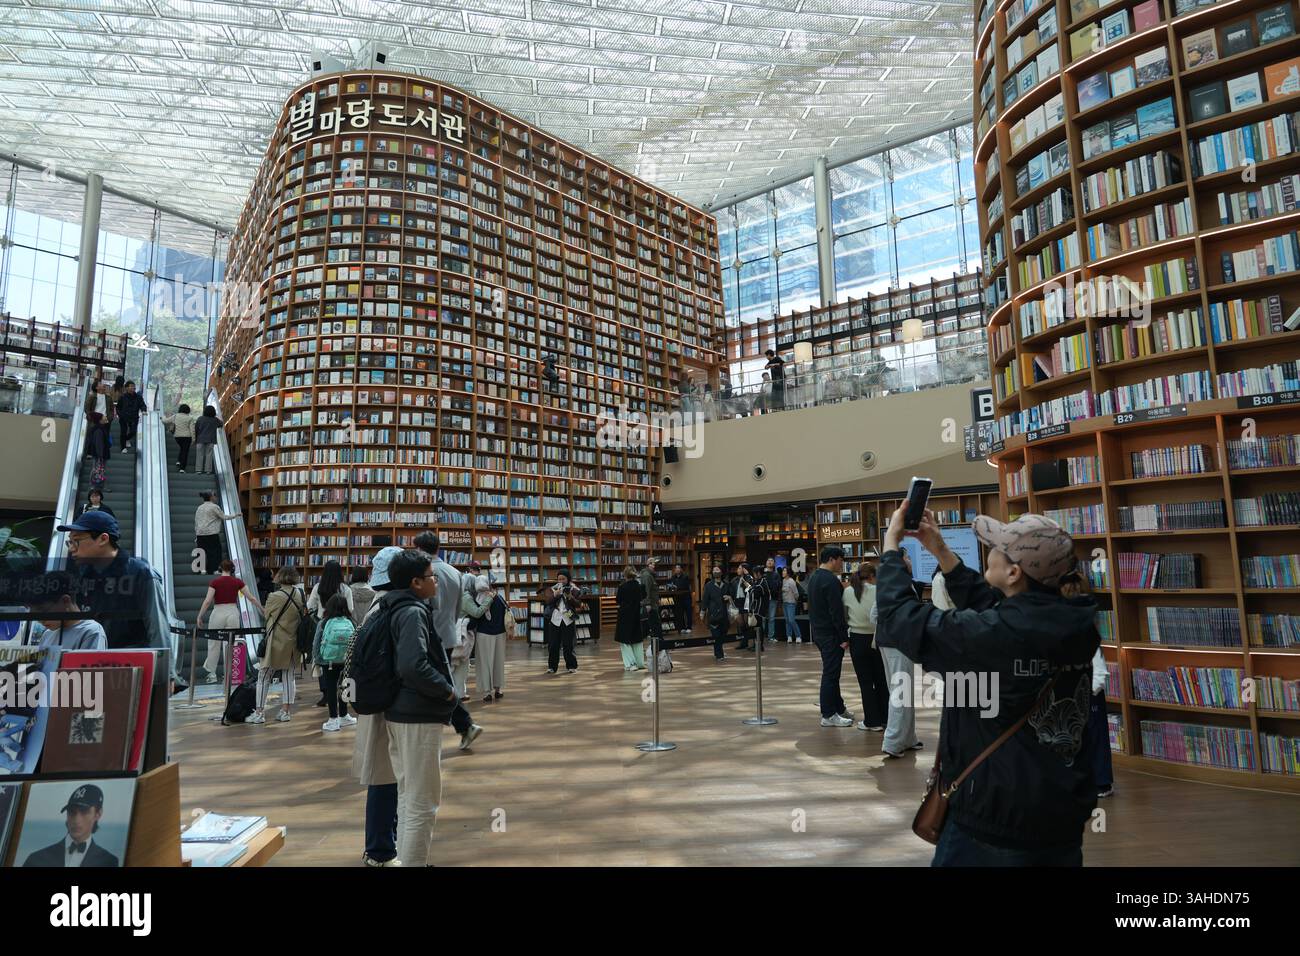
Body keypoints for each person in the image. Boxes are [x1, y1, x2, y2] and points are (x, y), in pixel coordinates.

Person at [875, 509, 1098, 866]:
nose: (988, 551)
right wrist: (941, 552)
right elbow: (1000, 609)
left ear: (1013, 572)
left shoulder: (992, 636)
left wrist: (889, 549)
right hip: (1060, 808)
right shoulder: (1070, 622)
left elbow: (901, 619)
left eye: (996, 547)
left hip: (994, 820)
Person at [383, 548, 458, 868]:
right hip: (416, 714)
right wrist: (447, 692)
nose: (436, 582)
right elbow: (413, 665)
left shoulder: (393, 605)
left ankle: (410, 859)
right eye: (431, 577)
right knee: (422, 802)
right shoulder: (412, 611)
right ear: (415, 582)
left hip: (400, 712)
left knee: (409, 794)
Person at [353, 545, 403, 867]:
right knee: (384, 777)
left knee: (385, 776)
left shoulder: (377, 605)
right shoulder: (388, 610)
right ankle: (380, 850)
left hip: (375, 702)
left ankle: (384, 844)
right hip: (385, 706)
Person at [413, 531, 482, 751]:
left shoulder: (427, 573)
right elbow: (456, 607)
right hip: (449, 633)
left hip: (431, 635)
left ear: (421, 549)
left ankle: (462, 725)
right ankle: (463, 725)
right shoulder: (455, 572)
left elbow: (432, 604)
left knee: (436, 684)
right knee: (440, 682)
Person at [56, 511, 163, 651]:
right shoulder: (82, 576)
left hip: (129, 662)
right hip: (90, 661)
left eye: (76, 541)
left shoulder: (140, 573)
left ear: (103, 539)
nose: (71, 548)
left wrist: (165, 670)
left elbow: (157, 629)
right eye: (69, 542)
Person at [1060, 570, 1115, 799]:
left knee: (1091, 738)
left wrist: (1089, 691)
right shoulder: (1084, 623)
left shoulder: (1079, 629)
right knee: (1088, 739)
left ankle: (1101, 782)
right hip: (1083, 692)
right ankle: (1093, 781)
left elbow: (1098, 668)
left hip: (1086, 693)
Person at [876, 551, 924, 757]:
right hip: (898, 643)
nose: (911, 561)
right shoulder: (900, 584)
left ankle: (907, 737)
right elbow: (876, 613)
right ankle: (893, 742)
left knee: (902, 689)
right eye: (908, 557)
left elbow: (875, 614)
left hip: (890, 642)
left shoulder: (890, 582)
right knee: (900, 691)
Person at [247, 565, 307, 724]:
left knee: (264, 676)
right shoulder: (300, 594)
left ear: (279, 577)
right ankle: (285, 711)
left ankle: (259, 713)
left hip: (275, 642)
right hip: (293, 642)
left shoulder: (274, 596)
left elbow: (267, 615)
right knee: (289, 676)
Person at [808, 545, 855, 727]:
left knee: (831, 672)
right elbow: (836, 612)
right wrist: (843, 637)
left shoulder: (814, 578)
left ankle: (839, 708)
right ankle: (828, 714)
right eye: (841, 560)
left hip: (819, 632)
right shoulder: (830, 580)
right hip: (831, 634)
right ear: (833, 559)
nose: (842, 564)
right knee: (831, 674)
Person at [195, 559, 263, 684]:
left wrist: (200, 616)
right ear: (232, 569)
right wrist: (261, 609)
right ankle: (230, 673)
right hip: (232, 612)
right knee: (232, 643)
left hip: (218, 612)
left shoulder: (215, 582)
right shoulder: (238, 582)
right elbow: (251, 598)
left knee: (213, 643)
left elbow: (207, 601)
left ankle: (212, 673)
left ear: (220, 568)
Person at [21, 784, 120, 867]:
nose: (76, 820)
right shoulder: (36, 860)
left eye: (84, 812)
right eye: (72, 812)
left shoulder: (109, 862)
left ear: (98, 814)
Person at [842, 564, 886, 732]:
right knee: (882, 680)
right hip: (877, 638)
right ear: (873, 576)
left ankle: (872, 721)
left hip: (857, 640)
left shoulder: (848, 591)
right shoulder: (879, 590)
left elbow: (845, 616)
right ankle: (886, 718)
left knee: (865, 682)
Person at [26, 571, 107, 651]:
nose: (40, 620)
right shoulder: (47, 634)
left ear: (66, 601)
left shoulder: (91, 631)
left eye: (43, 611)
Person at [313, 592, 357, 732]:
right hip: (346, 660)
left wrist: (318, 660)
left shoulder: (324, 622)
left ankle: (333, 719)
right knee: (345, 686)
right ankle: (344, 715)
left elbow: (316, 643)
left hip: (328, 661)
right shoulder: (351, 622)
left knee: (331, 688)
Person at [472, 576, 509, 702]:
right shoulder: (499, 598)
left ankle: (487, 692)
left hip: (484, 634)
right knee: (498, 662)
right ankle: (498, 690)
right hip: (500, 633)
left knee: (485, 663)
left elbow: (475, 616)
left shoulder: (477, 599)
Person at [543, 571, 583, 674]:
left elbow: (578, 604)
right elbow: (547, 601)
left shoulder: (574, 589)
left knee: (568, 644)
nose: (561, 581)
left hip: (567, 619)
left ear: (568, 579)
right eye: (559, 579)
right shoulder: (552, 589)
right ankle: (552, 667)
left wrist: (570, 597)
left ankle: (571, 666)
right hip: (555, 619)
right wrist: (555, 595)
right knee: (553, 644)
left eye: (563, 579)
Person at [194, 491, 241, 577]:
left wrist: (197, 534)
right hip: (211, 533)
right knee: (215, 551)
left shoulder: (199, 508)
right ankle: (214, 569)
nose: (216, 497)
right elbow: (224, 517)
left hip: (200, 533)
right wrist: (235, 515)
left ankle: (202, 569)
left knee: (201, 551)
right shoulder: (214, 507)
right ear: (211, 497)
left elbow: (196, 521)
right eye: (215, 496)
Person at [615, 566, 645, 671]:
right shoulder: (639, 586)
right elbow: (642, 598)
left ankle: (631, 664)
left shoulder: (622, 587)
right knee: (637, 640)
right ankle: (640, 663)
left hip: (624, 615)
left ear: (625, 575)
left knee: (625, 641)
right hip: (636, 615)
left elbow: (618, 600)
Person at [700, 564, 729, 662]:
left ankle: (719, 650)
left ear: (721, 572)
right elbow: (705, 599)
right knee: (716, 635)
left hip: (724, 614)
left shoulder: (726, 584)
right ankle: (719, 654)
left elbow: (731, 594)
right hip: (713, 614)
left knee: (723, 633)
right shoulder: (709, 586)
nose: (715, 571)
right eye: (714, 570)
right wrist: (702, 611)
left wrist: (729, 598)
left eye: (717, 570)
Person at [114, 380, 147, 453]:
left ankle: (126, 439)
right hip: (123, 417)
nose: (133, 387)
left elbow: (142, 405)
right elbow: (118, 407)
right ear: (126, 388)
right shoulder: (122, 397)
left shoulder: (138, 397)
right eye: (131, 386)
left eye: (134, 386)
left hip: (134, 417)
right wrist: (120, 415)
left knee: (133, 431)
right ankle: (123, 447)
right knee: (123, 432)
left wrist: (144, 410)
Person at [164, 403, 196, 472]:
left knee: (182, 448)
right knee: (185, 451)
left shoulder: (175, 416)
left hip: (177, 437)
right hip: (187, 437)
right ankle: (182, 468)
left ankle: (179, 461)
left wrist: (162, 417)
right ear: (188, 410)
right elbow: (192, 430)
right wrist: (193, 440)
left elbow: (165, 421)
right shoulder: (190, 418)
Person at [193, 404, 223, 475]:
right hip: (211, 440)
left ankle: (198, 470)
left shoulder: (200, 418)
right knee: (209, 455)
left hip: (200, 439)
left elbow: (196, 428)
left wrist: (195, 439)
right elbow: (221, 424)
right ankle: (208, 470)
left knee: (199, 454)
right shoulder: (215, 420)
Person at [732, 563, 755, 651]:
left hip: (746, 602)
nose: (738, 570)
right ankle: (744, 642)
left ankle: (751, 642)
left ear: (744, 569)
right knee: (741, 624)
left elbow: (751, 587)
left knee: (748, 624)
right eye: (738, 568)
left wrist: (747, 574)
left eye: (740, 568)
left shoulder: (748, 578)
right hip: (737, 603)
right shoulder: (735, 580)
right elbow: (732, 590)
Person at [85, 411, 110, 490]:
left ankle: (98, 485)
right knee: (97, 469)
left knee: (100, 469)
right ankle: (93, 485)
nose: (105, 417)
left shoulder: (100, 428)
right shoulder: (99, 430)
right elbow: (98, 443)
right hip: (100, 454)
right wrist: (100, 455)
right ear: (99, 420)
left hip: (101, 453)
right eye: (103, 416)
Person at [667, 563, 692, 634]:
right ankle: (682, 627)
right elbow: (670, 585)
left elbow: (685, 586)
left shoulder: (685, 577)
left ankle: (689, 627)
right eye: (676, 568)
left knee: (688, 613)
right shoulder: (673, 577)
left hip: (686, 597)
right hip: (678, 598)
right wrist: (670, 587)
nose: (677, 569)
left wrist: (676, 587)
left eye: (678, 568)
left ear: (681, 569)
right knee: (680, 613)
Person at [760, 557, 781, 643]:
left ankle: (771, 636)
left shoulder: (776, 574)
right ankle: (761, 636)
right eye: (768, 560)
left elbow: (778, 586)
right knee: (763, 618)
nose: (770, 562)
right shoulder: (761, 573)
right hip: (763, 599)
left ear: (774, 564)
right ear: (765, 562)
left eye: (772, 561)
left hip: (773, 598)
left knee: (771, 618)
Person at [780, 566, 802, 643]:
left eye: (785, 571)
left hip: (791, 603)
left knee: (791, 620)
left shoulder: (791, 581)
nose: (783, 572)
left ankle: (798, 636)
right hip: (784, 603)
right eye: (783, 571)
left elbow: (796, 593)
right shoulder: (783, 581)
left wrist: (795, 600)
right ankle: (789, 636)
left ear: (788, 573)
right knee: (787, 621)